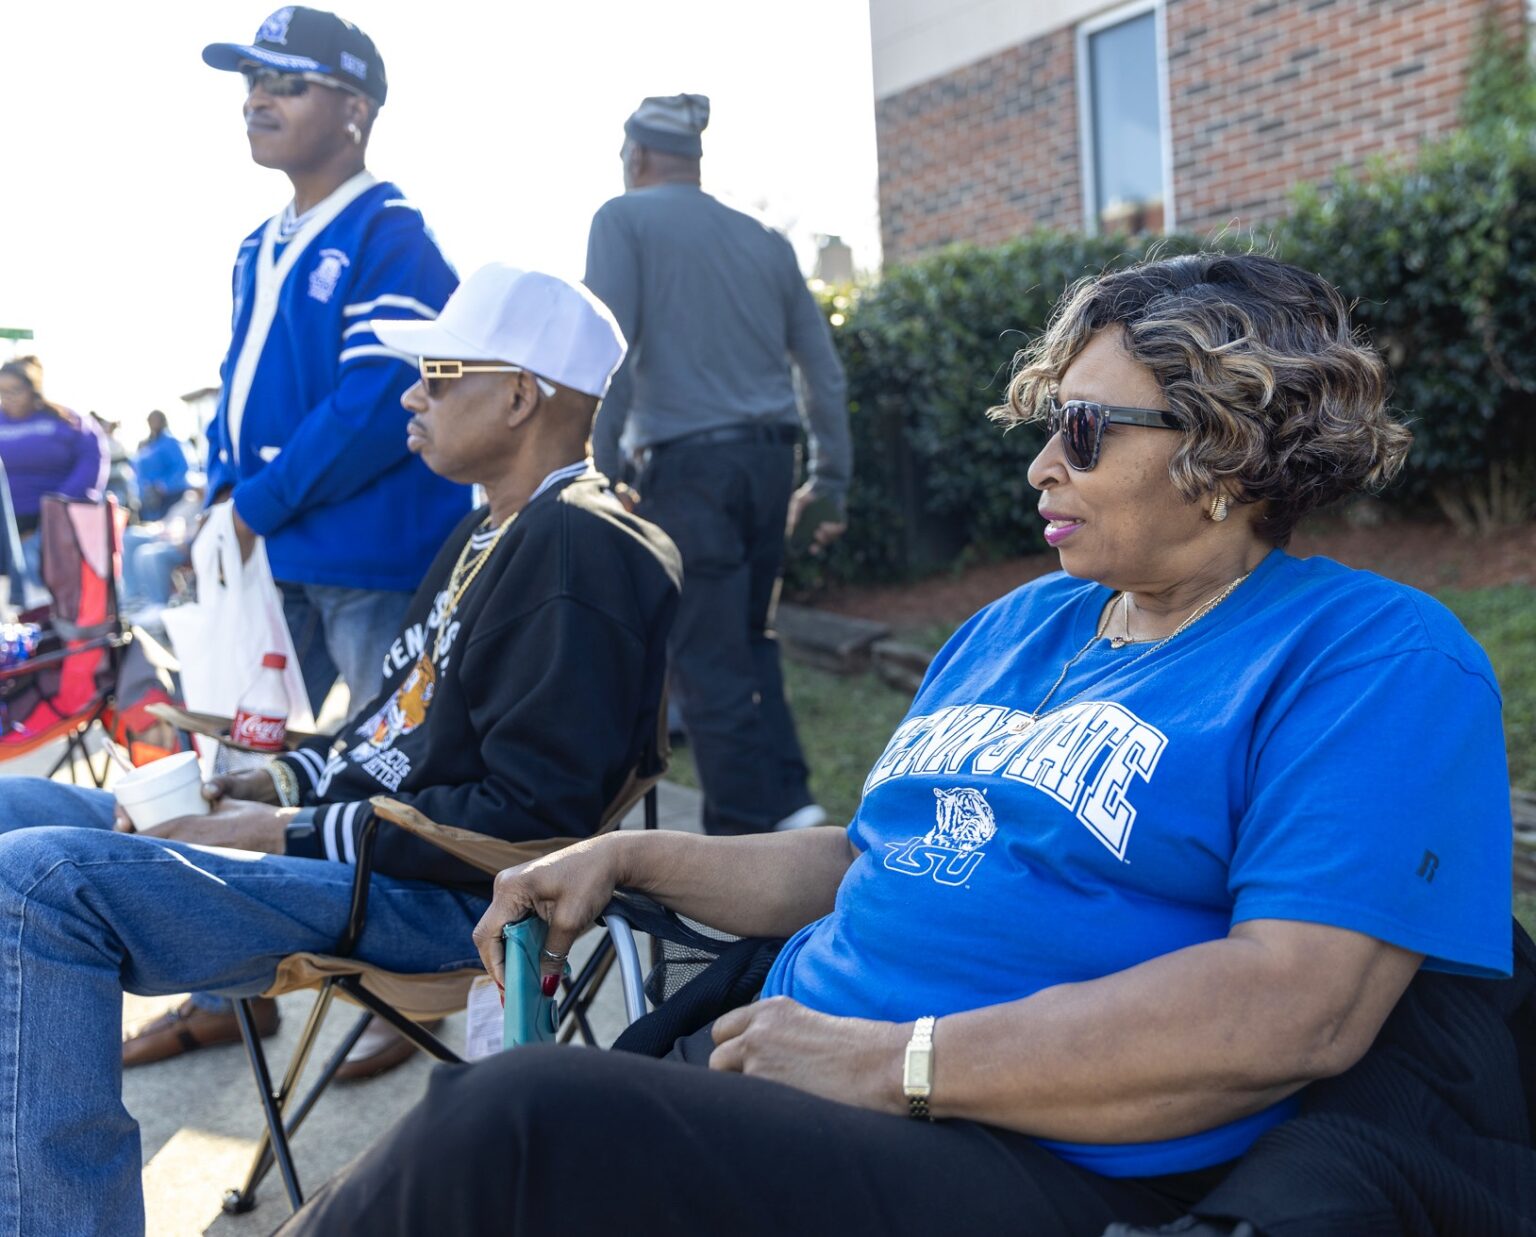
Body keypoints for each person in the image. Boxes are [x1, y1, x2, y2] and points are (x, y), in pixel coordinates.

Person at [279, 254, 1514, 1237]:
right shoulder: (1017, 625)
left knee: (512, 1130)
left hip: (1031, 1157)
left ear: (1228, 447)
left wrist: (895, 1064)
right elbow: (873, 853)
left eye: (1084, 430)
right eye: (1046, 423)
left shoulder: (1370, 657)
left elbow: (1295, 1006)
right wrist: (626, 860)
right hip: (803, 1076)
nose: (1040, 464)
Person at [0, 265, 680, 1234]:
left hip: (447, 897)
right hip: (367, 853)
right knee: (13, 811)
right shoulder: (490, 531)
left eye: (438, 373)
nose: (411, 393)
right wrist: (261, 780)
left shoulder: (581, 548)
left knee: (37, 879)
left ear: (523, 393)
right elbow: (385, 736)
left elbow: (534, 827)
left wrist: (279, 827)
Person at [583, 93, 853, 836]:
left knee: (706, 658)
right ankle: (794, 805)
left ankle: (740, 850)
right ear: (695, 161)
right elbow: (821, 371)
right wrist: (828, 480)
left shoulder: (622, 218)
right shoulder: (765, 240)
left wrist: (594, 478)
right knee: (750, 639)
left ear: (636, 157)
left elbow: (612, 357)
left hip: (687, 468)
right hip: (770, 462)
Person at [200, 6, 469, 718]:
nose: (257, 97)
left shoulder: (392, 234)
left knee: (391, 757)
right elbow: (239, 382)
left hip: (370, 561)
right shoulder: (257, 244)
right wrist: (222, 489)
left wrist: (255, 503)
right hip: (279, 553)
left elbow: (376, 407)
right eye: (253, 78)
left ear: (355, 109)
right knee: (249, 753)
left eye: (286, 82)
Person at [0, 356, 108, 602]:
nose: (8, 398)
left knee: (31, 558)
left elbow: (92, 456)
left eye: (15, 391)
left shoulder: (65, 420)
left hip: (57, 516)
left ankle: (48, 614)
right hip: (7, 521)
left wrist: (61, 501)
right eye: (2, 392)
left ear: (33, 389)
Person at [132, 410, 191, 521]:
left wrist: (164, 485)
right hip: (149, 499)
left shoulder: (170, 442)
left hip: (170, 497)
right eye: (150, 420)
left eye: (156, 420)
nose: (153, 423)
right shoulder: (147, 444)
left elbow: (182, 467)